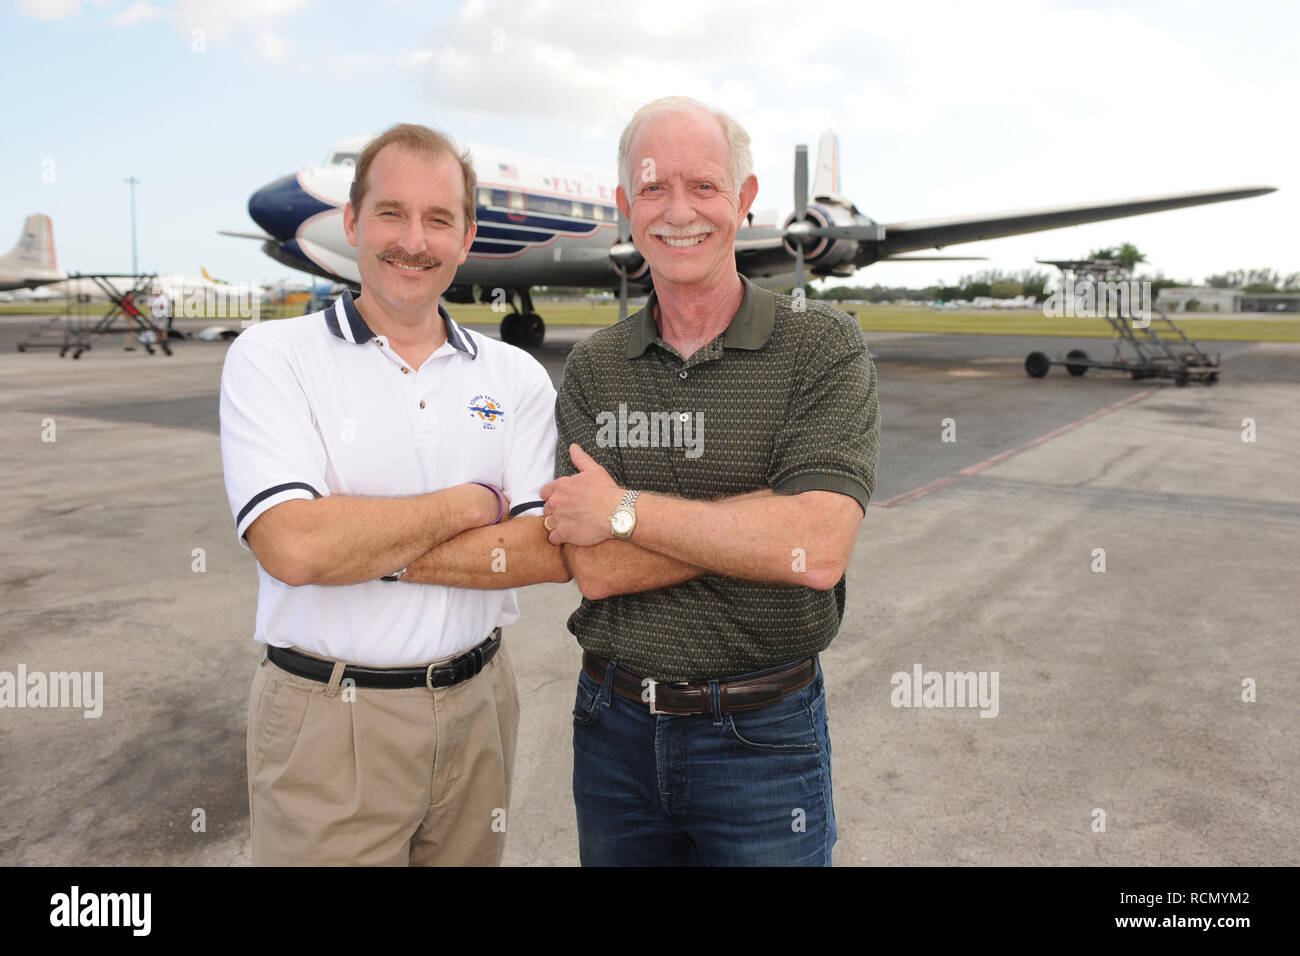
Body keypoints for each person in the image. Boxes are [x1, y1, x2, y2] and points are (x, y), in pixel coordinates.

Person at [541, 96, 879, 866]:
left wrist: (621, 509)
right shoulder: (593, 367)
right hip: (613, 730)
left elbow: (818, 549)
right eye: (654, 189)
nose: (679, 211)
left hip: (764, 735)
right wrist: (767, 518)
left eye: (704, 186)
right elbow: (591, 568)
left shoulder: (823, 348)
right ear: (627, 208)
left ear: (745, 200)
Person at [219, 123, 568, 866]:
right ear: (353, 222)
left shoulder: (517, 378)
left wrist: (359, 540)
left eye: (438, 219)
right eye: (390, 213)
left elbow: (541, 552)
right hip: (326, 719)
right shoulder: (271, 357)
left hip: (480, 709)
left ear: (466, 235)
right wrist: (471, 505)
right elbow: (294, 546)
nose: (414, 240)